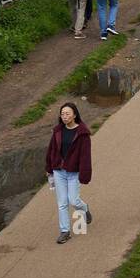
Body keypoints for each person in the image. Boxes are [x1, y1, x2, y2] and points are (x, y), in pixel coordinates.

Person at [45, 103, 92, 244]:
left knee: (74, 200)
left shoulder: (82, 134)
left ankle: (85, 208)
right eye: (62, 114)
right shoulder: (58, 131)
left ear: (75, 115)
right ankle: (64, 231)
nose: (65, 116)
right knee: (62, 203)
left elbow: (85, 156)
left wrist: (85, 174)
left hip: (73, 172)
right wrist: (49, 169)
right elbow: (51, 150)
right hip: (59, 171)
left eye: (67, 113)